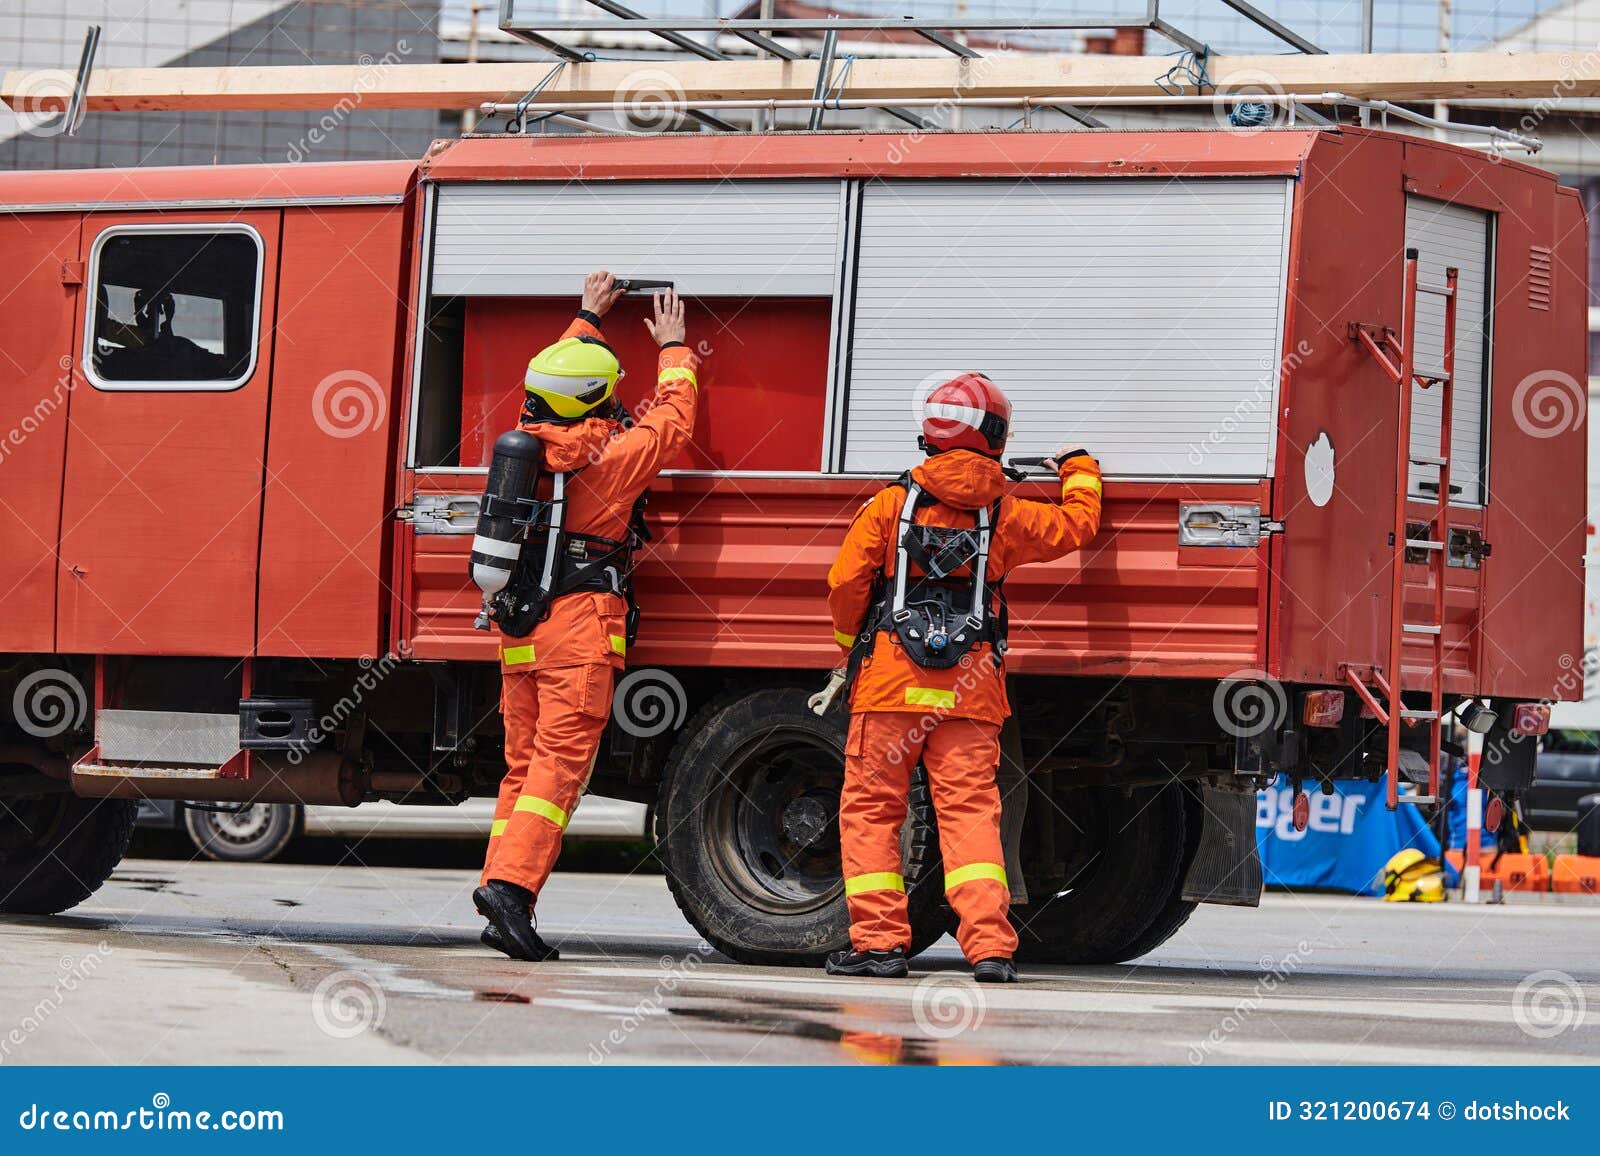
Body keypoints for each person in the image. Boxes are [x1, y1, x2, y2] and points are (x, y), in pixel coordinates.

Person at [821, 372, 1102, 983]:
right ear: (995, 435)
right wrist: (1079, 468)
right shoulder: (1009, 513)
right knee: (971, 815)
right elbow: (1078, 526)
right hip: (969, 691)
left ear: (931, 431)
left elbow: (844, 584)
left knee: (872, 811)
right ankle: (991, 951)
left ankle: (878, 947)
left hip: (891, 685)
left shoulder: (891, 505)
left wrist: (852, 649)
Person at [475, 271, 698, 961]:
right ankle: (512, 890)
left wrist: (587, 317)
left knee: (522, 771)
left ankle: (500, 890)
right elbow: (674, 419)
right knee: (559, 773)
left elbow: (561, 379)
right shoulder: (614, 456)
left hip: (519, 625)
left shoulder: (524, 440)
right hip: (577, 628)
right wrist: (676, 349)